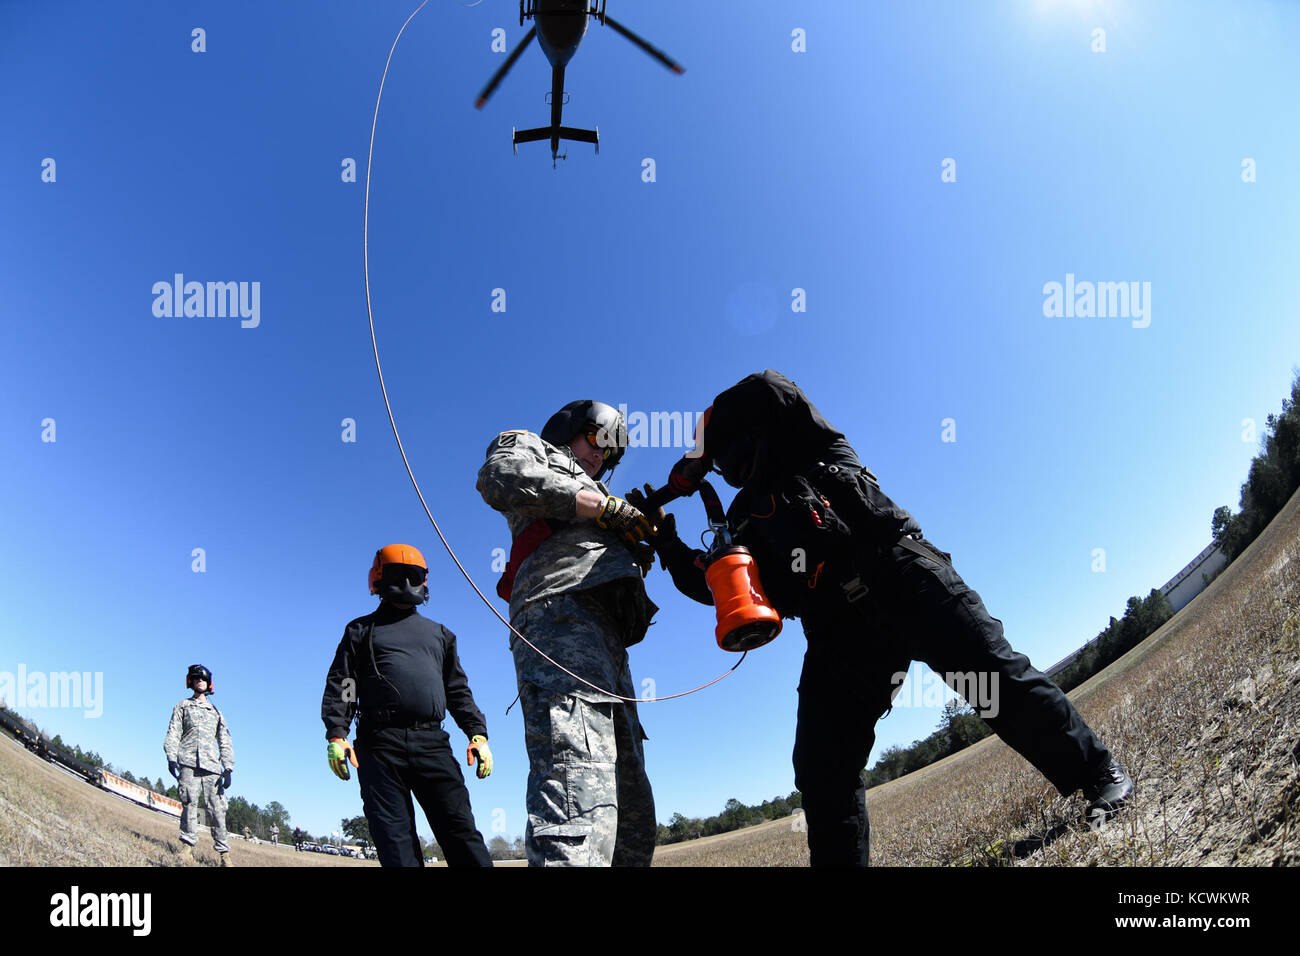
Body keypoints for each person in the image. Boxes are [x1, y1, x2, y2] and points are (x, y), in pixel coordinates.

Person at [642, 369, 1135, 867]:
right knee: (822, 765)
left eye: (723, 449)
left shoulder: (815, 444)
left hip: (904, 574)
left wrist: (694, 456)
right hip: (836, 629)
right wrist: (665, 541)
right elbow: (721, 587)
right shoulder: (742, 517)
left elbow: (772, 386)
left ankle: (1099, 775)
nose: (725, 464)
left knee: (994, 679)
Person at [476, 400, 659, 867]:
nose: (601, 458)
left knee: (629, 802)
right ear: (572, 429)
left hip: (607, 640)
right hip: (558, 617)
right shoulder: (531, 447)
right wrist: (602, 507)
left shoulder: (601, 498)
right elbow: (500, 475)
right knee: (577, 789)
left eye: (611, 455)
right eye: (598, 441)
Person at [321, 544, 494, 867]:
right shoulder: (359, 631)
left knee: (461, 833)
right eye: (400, 575)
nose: (407, 582)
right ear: (381, 579)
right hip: (379, 745)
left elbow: (458, 691)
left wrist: (477, 734)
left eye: (412, 576)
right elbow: (345, 685)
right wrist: (337, 733)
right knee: (395, 842)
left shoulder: (441, 636)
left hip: (432, 744)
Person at [164, 664, 235, 867]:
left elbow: (225, 741)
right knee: (189, 805)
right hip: (187, 762)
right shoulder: (182, 706)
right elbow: (173, 733)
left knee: (217, 810)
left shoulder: (216, 712)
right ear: (191, 682)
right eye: (196, 679)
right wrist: (171, 757)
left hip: (212, 767)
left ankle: (224, 855)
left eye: (202, 679)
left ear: (209, 683)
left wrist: (228, 767)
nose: (199, 682)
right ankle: (187, 848)